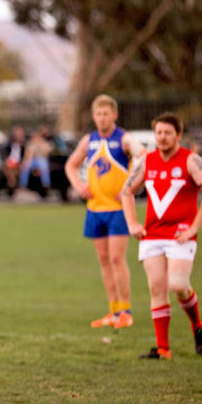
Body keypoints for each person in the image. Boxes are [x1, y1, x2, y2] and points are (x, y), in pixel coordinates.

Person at [120, 112, 202, 360]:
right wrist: (132, 223)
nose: (162, 137)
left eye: (167, 133)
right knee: (156, 288)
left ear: (178, 135)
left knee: (178, 285)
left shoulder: (190, 160)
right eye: (159, 132)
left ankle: (197, 326)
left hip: (180, 235)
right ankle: (163, 349)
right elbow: (126, 192)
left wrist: (194, 227)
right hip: (152, 234)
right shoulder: (147, 161)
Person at [65, 94, 146, 329]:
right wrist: (79, 185)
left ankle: (126, 312)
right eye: (98, 114)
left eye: (106, 114)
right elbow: (71, 165)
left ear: (114, 115)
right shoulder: (88, 141)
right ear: (93, 116)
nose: (102, 118)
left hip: (118, 210)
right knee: (104, 260)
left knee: (117, 259)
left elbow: (144, 158)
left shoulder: (124, 139)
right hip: (95, 209)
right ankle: (113, 311)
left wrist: (130, 187)